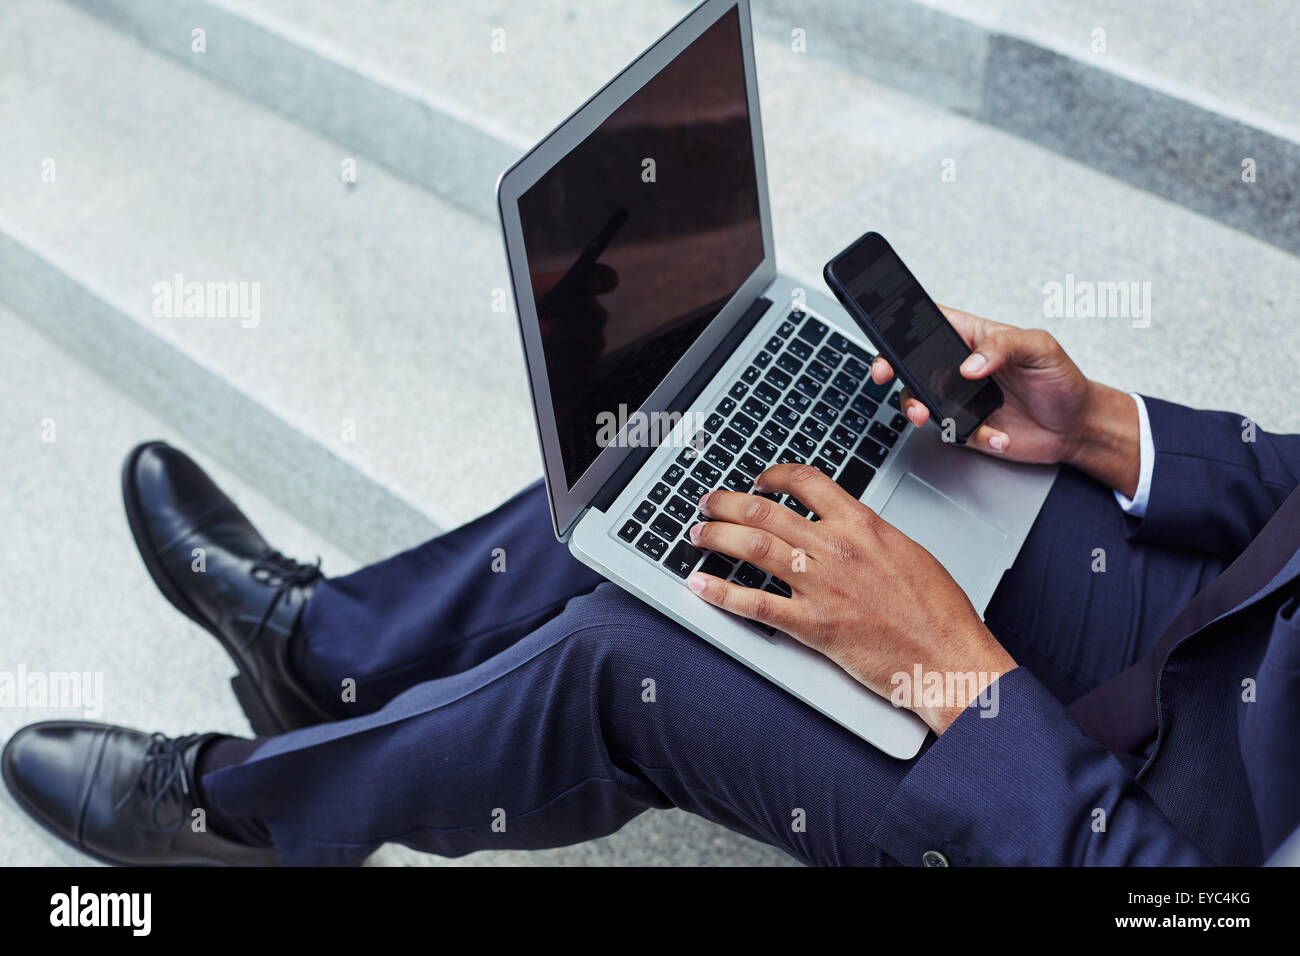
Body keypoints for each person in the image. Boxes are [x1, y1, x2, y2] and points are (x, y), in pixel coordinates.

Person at [4, 308, 1298, 867]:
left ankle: (246, 814)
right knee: (710, 450)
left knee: (627, 650)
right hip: (1212, 618)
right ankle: (323, 648)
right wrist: (1111, 435)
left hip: (1128, 834)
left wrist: (953, 677)